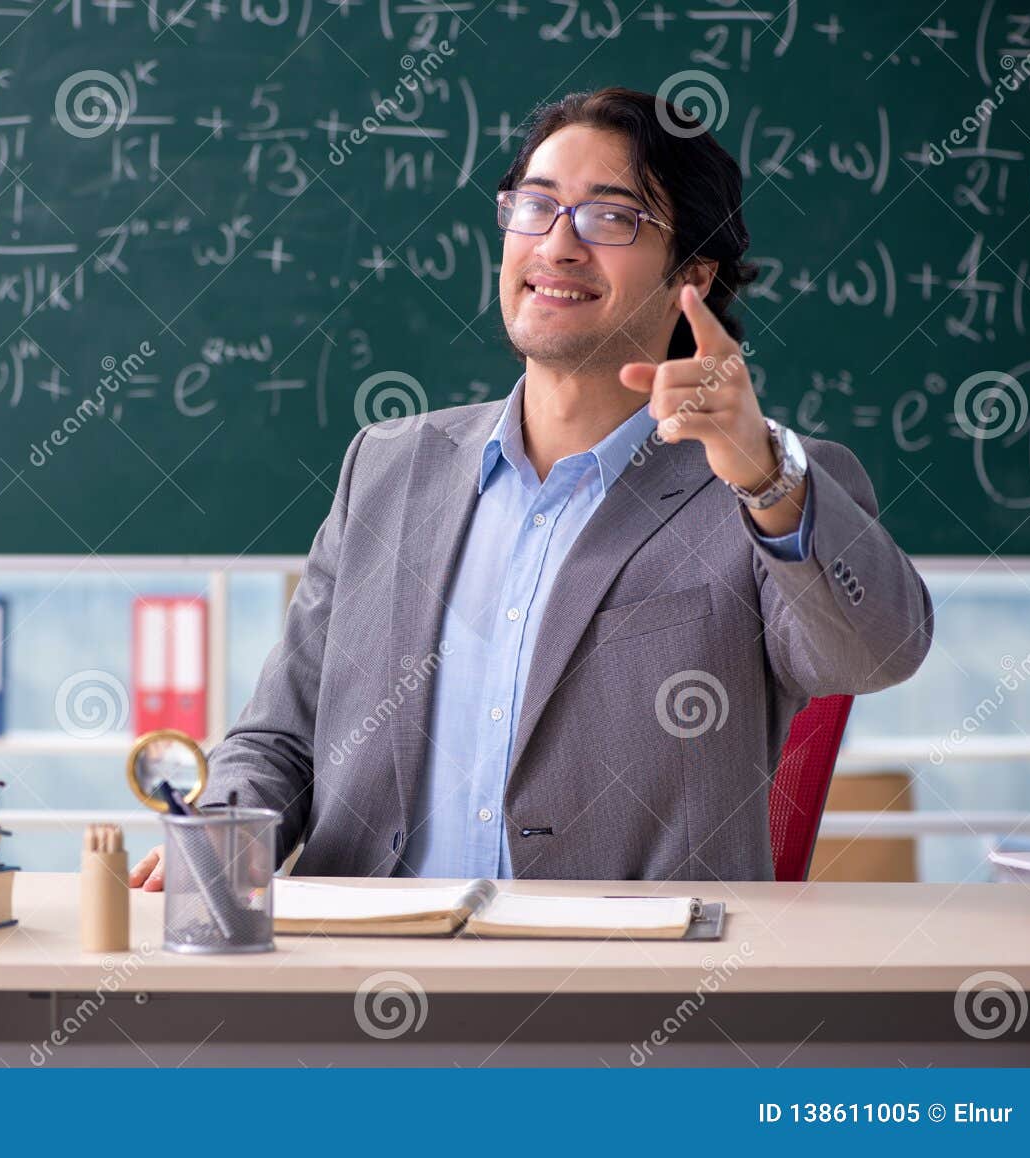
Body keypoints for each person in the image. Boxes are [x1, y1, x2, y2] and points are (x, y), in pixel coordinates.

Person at [130, 87, 932, 889]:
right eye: (535, 206)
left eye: (610, 218)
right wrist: (221, 837)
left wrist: (765, 476)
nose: (558, 245)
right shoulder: (388, 465)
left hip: (617, 987)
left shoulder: (760, 481)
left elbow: (877, 653)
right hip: (360, 964)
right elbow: (282, 738)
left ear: (693, 271)